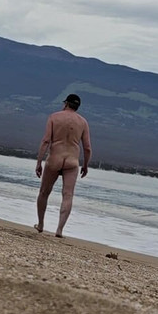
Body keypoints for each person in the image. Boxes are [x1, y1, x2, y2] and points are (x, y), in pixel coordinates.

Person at [34, 93, 92, 238]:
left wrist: (39, 162)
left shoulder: (54, 117)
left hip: (55, 159)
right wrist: (85, 165)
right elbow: (87, 148)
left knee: (44, 192)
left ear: (65, 103)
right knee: (68, 195)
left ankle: (41, 224)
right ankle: (59, 229)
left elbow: (46, 141)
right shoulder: (83, 122)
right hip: (72, 161)